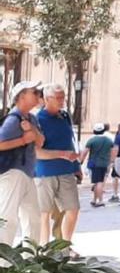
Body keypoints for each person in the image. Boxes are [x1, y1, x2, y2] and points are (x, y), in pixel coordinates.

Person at [34, 84, 83, 246]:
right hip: (44, 171)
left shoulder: (65, 116)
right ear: (47, 99)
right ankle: (43, 247)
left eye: (63, 97)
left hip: (66, 170)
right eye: (58, 98)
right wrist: (62, 155)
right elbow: (36, 150)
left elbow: (70, 142)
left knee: (73, 209)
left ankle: (65, 246)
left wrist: (76, 166)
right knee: (44, 213)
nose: (62, 101)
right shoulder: (37, 120)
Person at [0, 81, 44, 246]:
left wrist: (31, 130)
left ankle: (30, 260)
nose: (38, 94)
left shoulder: (31, 118)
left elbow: (40, 142)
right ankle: (3, 263)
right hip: (12, 173)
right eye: (34, 91)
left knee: (33, 218)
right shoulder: (13, 119)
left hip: (26, 173)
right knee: (8, 218)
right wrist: (23, 140)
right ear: (22, 96)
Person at [84, 123, 117, 208]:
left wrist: (80, 161)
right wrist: (111, 161)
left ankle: (100, 200)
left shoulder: (91, 140)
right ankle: (94, 200)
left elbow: (85, 151)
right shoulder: (108, 140)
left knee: (98, 182)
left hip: (94, 163)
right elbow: (113, 150)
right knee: (99, 181)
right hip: (104, 163)